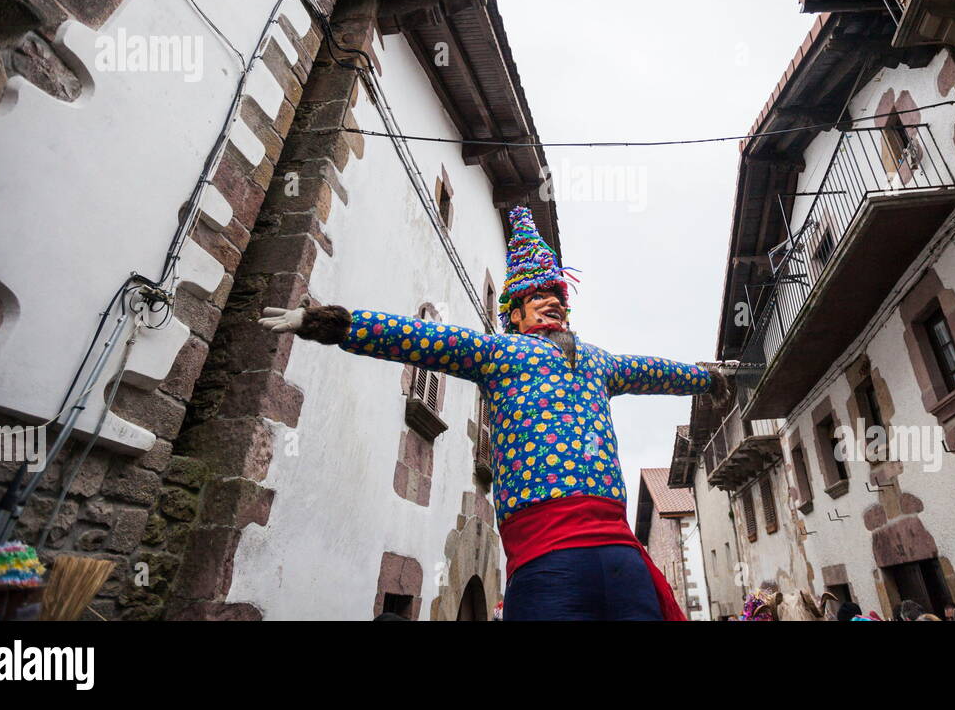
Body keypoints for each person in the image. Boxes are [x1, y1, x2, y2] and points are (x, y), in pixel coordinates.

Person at [258, 206, 731, 621]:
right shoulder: (496, 352)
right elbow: (418, 338)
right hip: (548, 559)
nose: (551, 301)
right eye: (536, 295)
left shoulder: (599, 362)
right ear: (515, 314)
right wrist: (331, 323)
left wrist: (708, 377)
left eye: (558, 296)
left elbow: (657, 372)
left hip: (622, 556)